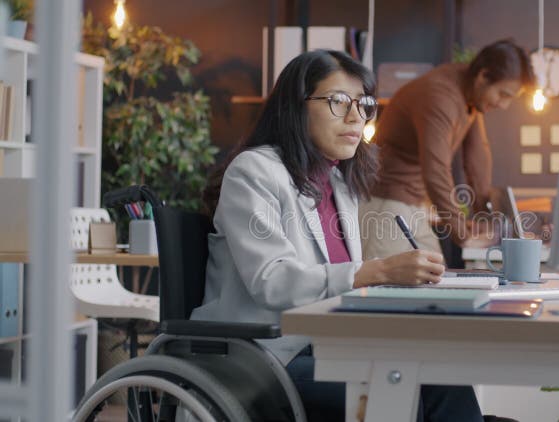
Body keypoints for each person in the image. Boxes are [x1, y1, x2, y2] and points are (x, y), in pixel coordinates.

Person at [198, 50, 507, 422]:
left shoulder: (338, 183)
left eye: (364, 105)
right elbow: (272, 281)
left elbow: (340, 287)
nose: (355, 116)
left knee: (441, 374)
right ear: (296, 106)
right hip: (264, 358)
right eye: (338, 102)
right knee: (408, 388)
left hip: (321, 347)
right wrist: (378, 271)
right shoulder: (255, 171)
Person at [360, 39, 534, 261]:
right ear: (483, 76)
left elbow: (477, 155)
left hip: (411, 204)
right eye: (503, 94)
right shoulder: (440, 96)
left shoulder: (469, 93)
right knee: (386, 287)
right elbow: (436, 171)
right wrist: (462, 233)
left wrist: (483, 217)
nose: (504, 105)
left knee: (434, 271)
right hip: (385, 202)